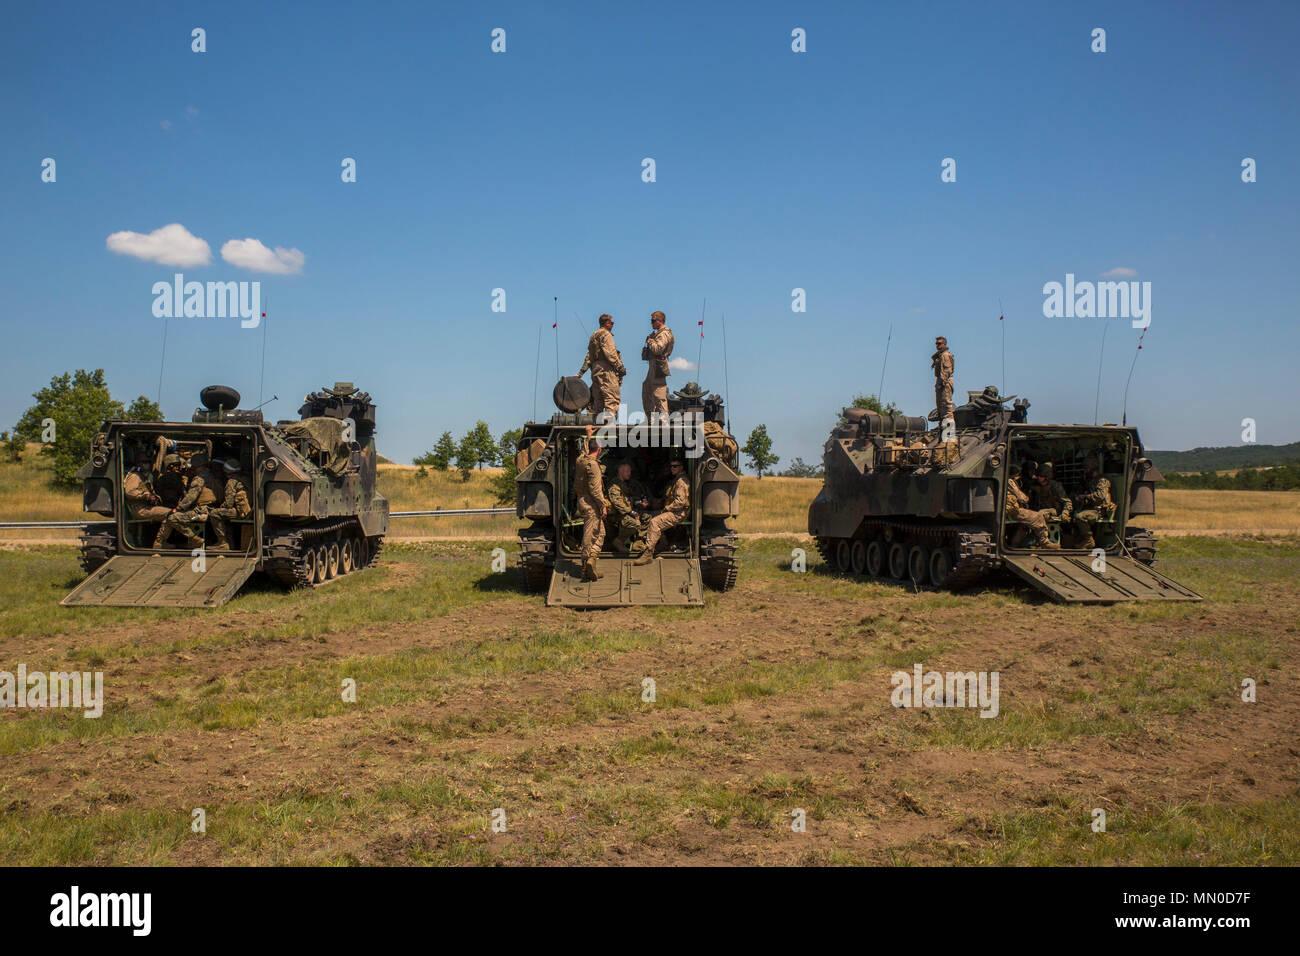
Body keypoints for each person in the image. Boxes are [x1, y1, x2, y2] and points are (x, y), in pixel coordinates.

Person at [154, 457, 222, 549]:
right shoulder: (212, 476)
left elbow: (191, 497)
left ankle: (194, 539)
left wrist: (178, 508)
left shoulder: (199, 478)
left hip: (201, 512)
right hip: (211, 509)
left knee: (172, 517)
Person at [634, 458, 690, 564]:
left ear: (681, 467)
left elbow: (680, 502)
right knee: (649, 515)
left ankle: (648, 554)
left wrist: (666, 508)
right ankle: (661, 544)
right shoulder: (677, 479)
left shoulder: (681, 481)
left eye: (675, 466)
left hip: (678, 513)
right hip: (675, 511)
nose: (672, 468)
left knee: (655, 523)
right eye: (671, 466)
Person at [578, 313, 625, 420]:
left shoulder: (594, 335)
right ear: (607, 323)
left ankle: (596, 426)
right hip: (606, 370)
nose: (613, 325)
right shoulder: (606, 334)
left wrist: (581, 373)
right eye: (612, 323)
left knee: (598, 401)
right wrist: (620, 368)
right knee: (611, 397)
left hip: (595, 370)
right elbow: (611, 354)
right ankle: (609, 425)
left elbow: (589, 357)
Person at [574, 437, 608, 581]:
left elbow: (583, 451)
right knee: (590, 534)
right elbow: (595, 490)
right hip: (591, 503)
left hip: (581, 500)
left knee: (601, 532)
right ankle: (585, 566)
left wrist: (588, 436)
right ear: (599, 450)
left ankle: (591, 562)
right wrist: (603, 505)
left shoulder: (581, 460)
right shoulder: (593, 465)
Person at [1004, 463, 1058, 549]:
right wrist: (1027, 498)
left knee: (1024, 524)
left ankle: (1014, 544)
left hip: (1005, 510)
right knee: (1038, 517)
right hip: (1011, 510)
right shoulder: (1010, 481)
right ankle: (1044, 542)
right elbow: (1022, 498)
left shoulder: (1003, 479)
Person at [207, 459, 253, 549]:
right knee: (224, 516)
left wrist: (221, 506)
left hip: (242, 513)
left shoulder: (231, 482)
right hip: (250, 511)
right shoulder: (246, 478)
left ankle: (222, 543)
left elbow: (229, 504)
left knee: (214, 514)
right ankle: (230, 544)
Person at [607, 460, 650, 555]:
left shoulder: (626, 484)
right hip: (617, 515)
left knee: (647, 517)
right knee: (635, 523)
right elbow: (617, 503)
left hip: (626, 512)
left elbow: (629, 499)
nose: (630, 474)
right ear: (620, 471)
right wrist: (631, 512)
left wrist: (639, 502)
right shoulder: (614, 486)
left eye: (630, 471)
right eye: (627, 471)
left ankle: (638, 541)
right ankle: (619, 541)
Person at [124, 452, 171, 539]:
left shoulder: (147, 476)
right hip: (139, 509)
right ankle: (160, 542)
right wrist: (146, 495)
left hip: (147, 507)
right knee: (171, 515)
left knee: (172, 512)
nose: (147, 464)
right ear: (138, 463)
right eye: (144, 462)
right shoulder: (135, 476)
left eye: (148, 462)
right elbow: (129, 492)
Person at [1071, 456, 1115, 549]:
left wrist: (1085, 496)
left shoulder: (1102, 481)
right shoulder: (1089, 481)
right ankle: (1079, 539)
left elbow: (1100, 496)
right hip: (1091, 509)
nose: (1085, 471)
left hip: (1099, 510)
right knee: (1073, 515)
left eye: (1087, 469)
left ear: (1092, 468)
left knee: (1079, 517)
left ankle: (1089, 541)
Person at [642, 311, 675, 419]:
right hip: (653, 365)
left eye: (653, 321)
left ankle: (663, 420)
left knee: (658, 393)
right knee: (647, 390)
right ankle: (652, 419)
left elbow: (658, 349)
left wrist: (650, 341)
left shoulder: (664, 333)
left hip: (658, 365)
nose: (651, 323)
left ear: (659, 321)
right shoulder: (659, 333)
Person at [1030, 462, 1073, 526]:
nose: (1039, 478)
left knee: (1040, 514)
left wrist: (1065, 513)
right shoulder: (1035, 486)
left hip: (1053, 511)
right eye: (1038, 476)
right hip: (1039, 512)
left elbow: (1067, 501)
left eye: (1041, 476)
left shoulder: (1055, 486)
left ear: (1046, 476)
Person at [931, 336, 955, 423]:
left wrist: (941, 384)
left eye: (939, 343)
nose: (937, 345)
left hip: (945, 383)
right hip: (940, 382)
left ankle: (949, 433)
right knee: (940, 409)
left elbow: (947, 371)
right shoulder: (940, 355)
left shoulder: (945, 355)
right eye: (936, 344)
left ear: (944, 344)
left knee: (946, 407)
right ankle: (943, 430)